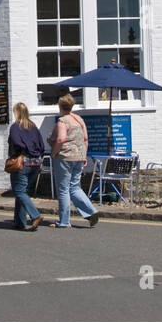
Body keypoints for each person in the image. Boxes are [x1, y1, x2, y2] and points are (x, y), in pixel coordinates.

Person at [47, 94, 99, 229]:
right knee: (75, 187)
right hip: (79, 156)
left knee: (63, 189)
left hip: (65, 157)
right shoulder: (79, 119)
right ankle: (91, 211)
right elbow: (86, 138)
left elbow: (60, 139)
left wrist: (53, 153)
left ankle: (64, 221)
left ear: (60, 106)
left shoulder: (62, 121)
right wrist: (84, 156)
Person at [7, 103, 47, 231]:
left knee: (19, 191)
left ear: (16, 113)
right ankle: (19, 221)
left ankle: (35, 215)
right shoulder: (33, 127)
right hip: (35, 163)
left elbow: (14, 142)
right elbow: (41, 145)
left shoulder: (15, 127)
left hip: (22, 162)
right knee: (22, 191)